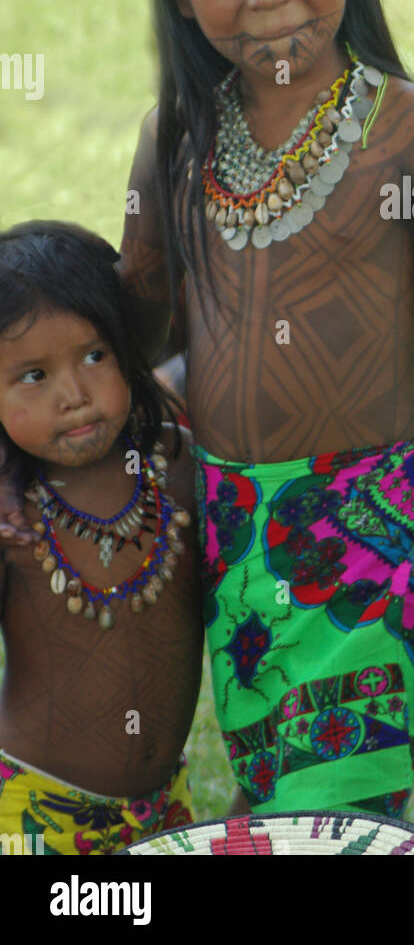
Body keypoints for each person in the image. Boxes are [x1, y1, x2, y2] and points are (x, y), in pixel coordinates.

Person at [115, 0, 414, 818]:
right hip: (233, 545)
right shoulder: (175, 142)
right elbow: (137, 337)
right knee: (277, 810)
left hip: (368, 545)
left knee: (349, 820)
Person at [0, 222, 201, 854]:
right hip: (33, 815)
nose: (75, 395)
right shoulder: (12, 518)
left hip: (165, 812)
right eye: (33, 375)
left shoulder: (178, 467)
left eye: (94, 355)